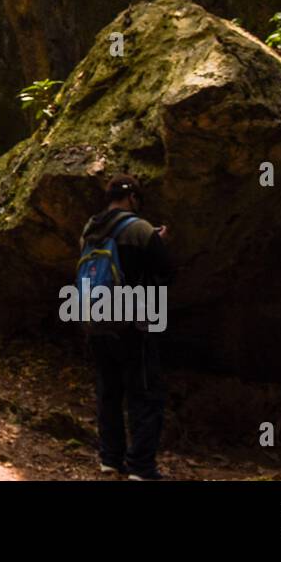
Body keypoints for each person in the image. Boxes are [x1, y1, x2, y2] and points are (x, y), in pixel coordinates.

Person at [80, 173, 172, 480]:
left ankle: (110, 459)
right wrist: (157, 241)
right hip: (132, 322)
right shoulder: (139, 228)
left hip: (95, 320)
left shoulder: (89, 228)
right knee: (145, 394)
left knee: (109, 392)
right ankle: (142, 468)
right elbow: (167, 272)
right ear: (132, 198)